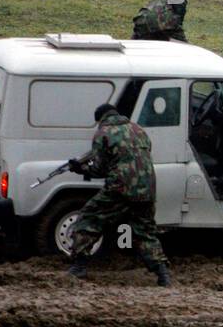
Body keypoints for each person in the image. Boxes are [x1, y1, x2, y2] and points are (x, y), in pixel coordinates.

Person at [66, 104, 173, 286]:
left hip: (120, 188)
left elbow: (101, 169)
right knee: (145, 232)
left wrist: (80, 169)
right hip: (147, 188)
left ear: (100, 119)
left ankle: (79, 266)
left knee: (88, 220)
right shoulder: (138, 129)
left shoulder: (103, 133)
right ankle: (163, 274)